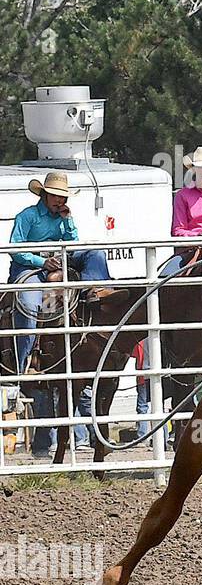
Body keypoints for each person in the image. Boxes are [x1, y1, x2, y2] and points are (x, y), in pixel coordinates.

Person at [6, 171, 109, 453]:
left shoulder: (63, 217)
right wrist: (43, 260)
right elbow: (15, 251)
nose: (60, 200)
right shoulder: (27, 217)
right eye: (56, 196)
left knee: (95, 255)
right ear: (45, 195)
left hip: (61, 260)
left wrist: (69, 221)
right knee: (27, 302)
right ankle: (22, 361)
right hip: (31, 269)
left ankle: (97, 294)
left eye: (63, 197)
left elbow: (73, 243)